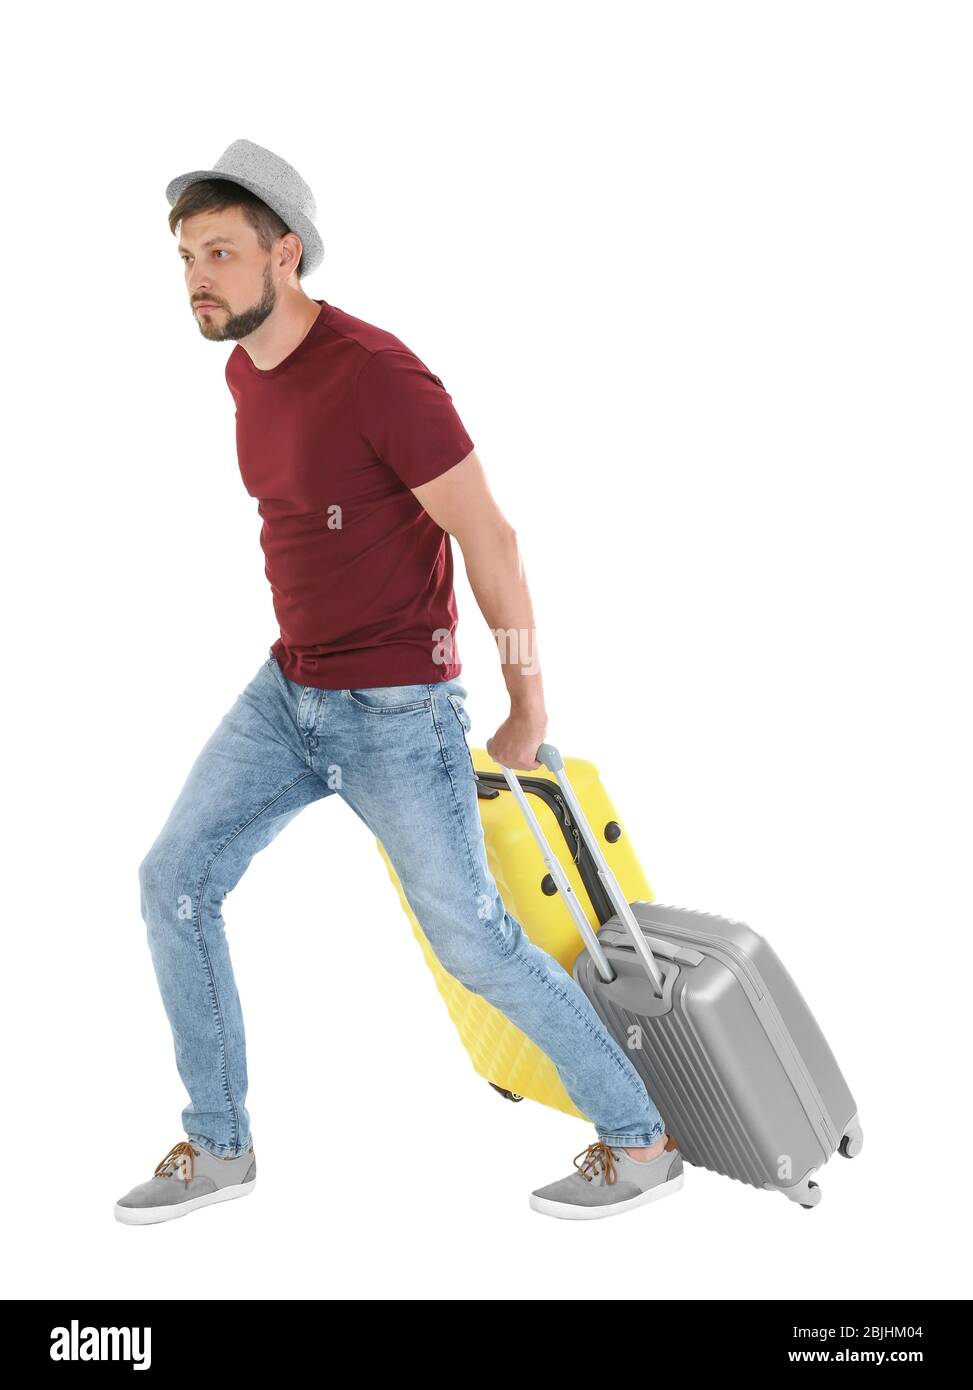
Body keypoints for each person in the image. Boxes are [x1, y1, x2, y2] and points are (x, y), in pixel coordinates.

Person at [114, 140, 682, 1225]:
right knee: (171, 880)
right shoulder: (244, 372)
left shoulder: (379, 373)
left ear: (287, 254)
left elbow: (490, 538)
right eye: (187, 254)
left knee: (474, 940)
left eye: (222, 250)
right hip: (289, 694)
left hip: (396, 711)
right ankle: (219, 1145)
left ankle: (638, 1137)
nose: (199, 274)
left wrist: (529, 705)